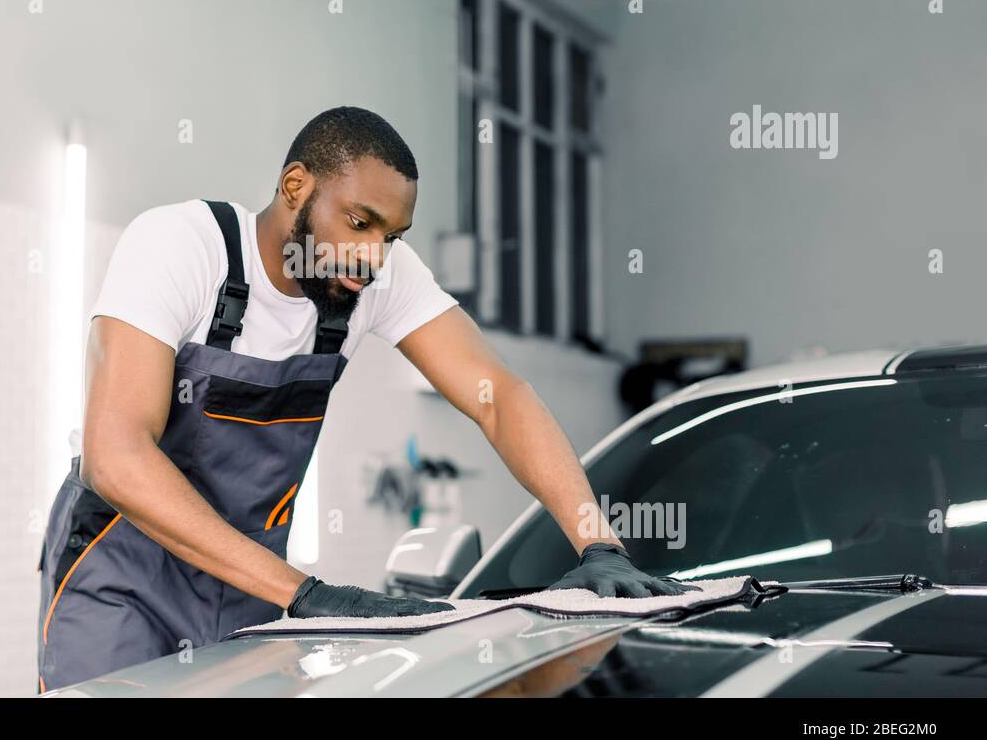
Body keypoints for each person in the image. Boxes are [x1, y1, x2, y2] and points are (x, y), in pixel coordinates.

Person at [36, 106, 697, 692]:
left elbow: (502, 399)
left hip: (248, 583)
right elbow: (116, 458)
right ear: (296, 187)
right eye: (359, 222)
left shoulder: (372, 275)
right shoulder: (183, 246)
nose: (374, 256)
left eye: (393, 236)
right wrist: (308, 594)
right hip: (122, 580)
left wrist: (597, 543)